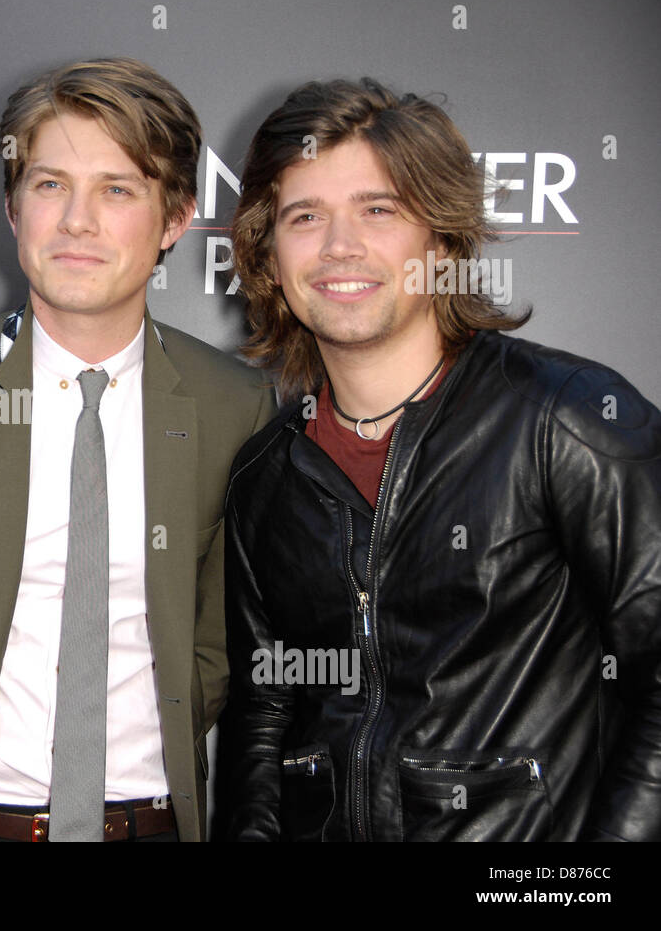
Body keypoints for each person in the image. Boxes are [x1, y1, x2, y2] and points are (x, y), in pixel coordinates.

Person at [0, 57, 275, 842]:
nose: (78, 219)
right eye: (49, 184)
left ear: (175, 218)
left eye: (118, 189)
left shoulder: (232, 405)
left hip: (151, 824)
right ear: (11, 206)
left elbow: (222, 637)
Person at [221, 78, 661, 841]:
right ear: (268, 253)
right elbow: (268, 709)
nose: (339, 246)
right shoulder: (265, 478)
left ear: (441, 237)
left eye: (378, 209)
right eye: (305, 216)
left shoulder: (568, 420)